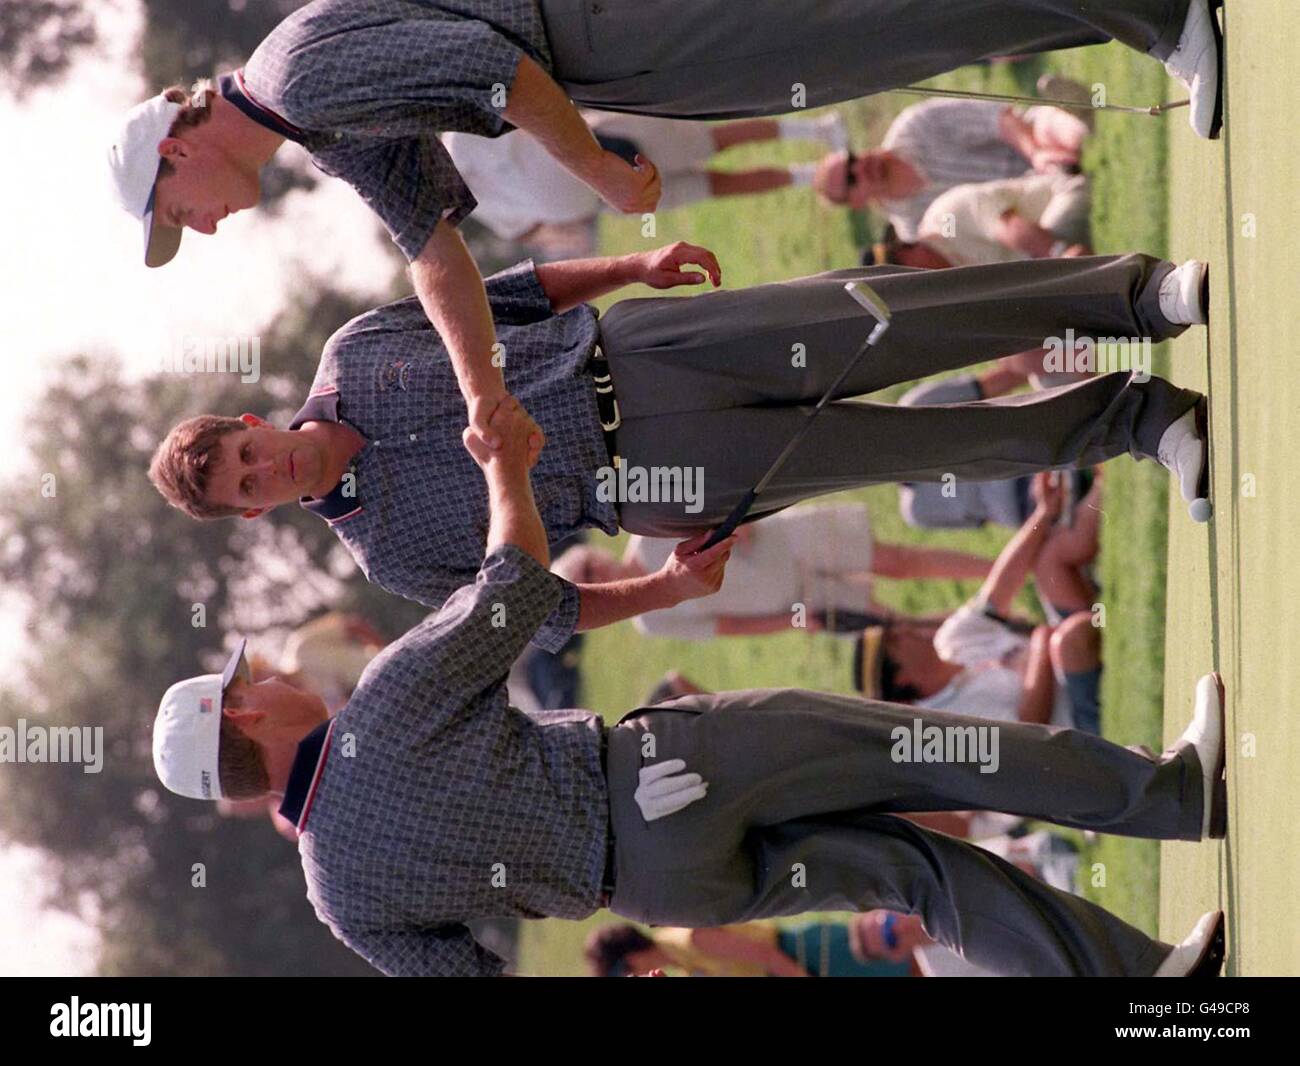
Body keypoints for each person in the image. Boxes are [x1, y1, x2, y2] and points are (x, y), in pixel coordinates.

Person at [151, 398, 1229, 977]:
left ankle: (1153, 987)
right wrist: (502, 470)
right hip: (668, 770)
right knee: (924, 751)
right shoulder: (376, 706)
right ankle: (1173, 798)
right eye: (256, 678)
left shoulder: (337, 897)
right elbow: (518, 588)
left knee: (918, 882)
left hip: (663, 895)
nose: (279, 669)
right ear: (245, 714)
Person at [109, 0, 1223, 466]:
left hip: (601, 28)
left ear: (174, 151)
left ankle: (1153, 12)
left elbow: (495, 71)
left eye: (175, 215)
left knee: (868, 26)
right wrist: (482, 392)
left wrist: (591, 164)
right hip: (604, 46)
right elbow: (431, 244)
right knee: (870, 41)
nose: (196, 229)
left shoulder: (298, 72)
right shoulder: (304, 115)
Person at [149, 246, 1214, 650]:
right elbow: (541, 611)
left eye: (245, 450)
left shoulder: (354, 345)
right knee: (914, 451)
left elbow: (515, 293)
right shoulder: (384, 556)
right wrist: (660, 591)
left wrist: (635, 265)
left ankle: (1134, 296)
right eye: (247, 487)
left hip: (645, 348)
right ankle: (1138, 419)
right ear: (252, 510)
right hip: (654, 486)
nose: (264, 468)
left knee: (895, 316)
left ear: (249, 423)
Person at [857, 474, 1104, 733]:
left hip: (1066, 648)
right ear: (902, 677)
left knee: (1048, 561)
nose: (904, 630)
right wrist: (1042, 643)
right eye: (895, 641)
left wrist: (1043, 514)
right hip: (1078, 716)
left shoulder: (950, 641)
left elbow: (1001, 585)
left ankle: (1107, 475)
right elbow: (1028, 723)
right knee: (1071, 639)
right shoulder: (949, 718)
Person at [445, 111, 846, 249]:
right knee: (714, 185)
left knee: (714, 141)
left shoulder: (460, 138)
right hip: (615, 200)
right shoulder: (464, 206)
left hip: (612, 143)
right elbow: (527, 229)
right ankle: (813, 176)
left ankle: (818, 130)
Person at [616, 503, 990, 640]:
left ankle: (1004, 571)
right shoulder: (649, 620)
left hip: (786, 541)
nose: (596, 571)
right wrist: (791, 622)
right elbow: (726, 626)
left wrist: (738, 524)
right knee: (894, 627)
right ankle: (996, 626)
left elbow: (704, 511)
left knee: (898, 562)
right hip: (793, 602)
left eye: (586, 564)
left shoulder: (643, 529)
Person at [813, 97, 1091, 243]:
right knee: (1050, 227)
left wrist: (1036, 154)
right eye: (851, 179)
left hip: (1033, 140)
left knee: (1070, 133)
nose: (859, 167)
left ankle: (1077, 123)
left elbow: (1000, 120)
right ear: (857, 202)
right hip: (1034, 204)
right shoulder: (914, 230)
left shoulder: (915, 125)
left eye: (851, 159)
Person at [584, 919, 914, 978]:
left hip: (809, 955)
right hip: (803, 967)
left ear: (630, 957)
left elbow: (766, 955)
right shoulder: (681, 960)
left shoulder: (688, 940)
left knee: (916, 964)